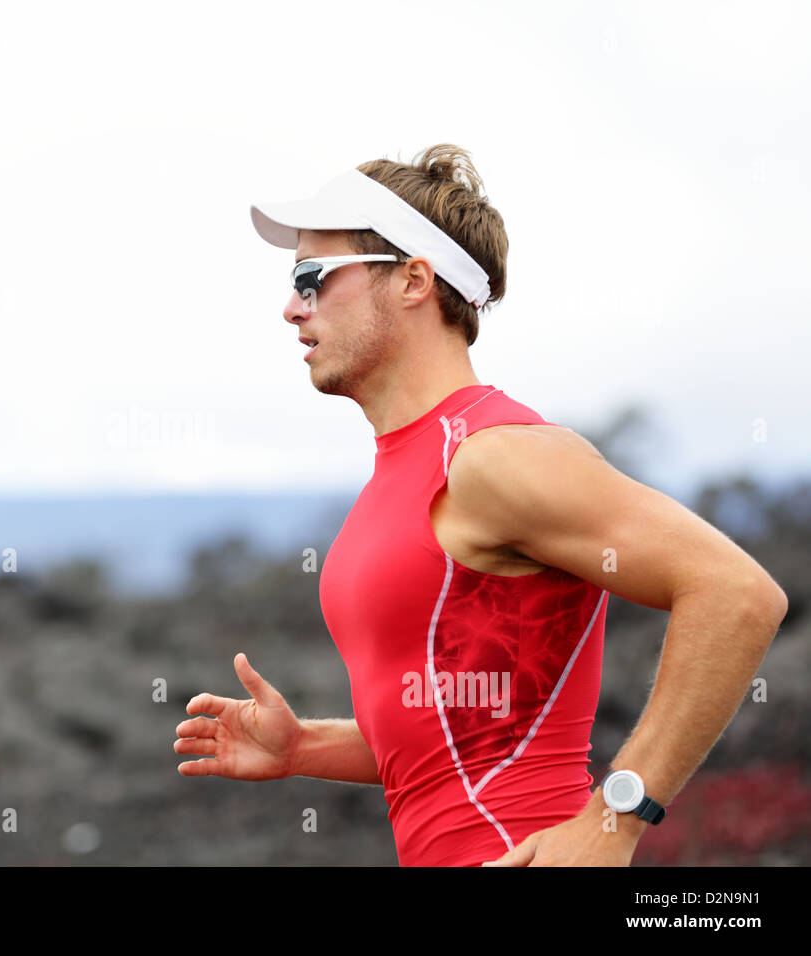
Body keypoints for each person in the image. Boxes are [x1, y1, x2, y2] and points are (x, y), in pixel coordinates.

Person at [174, 144, 788, 866]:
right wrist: (305, 745)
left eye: (313, 277)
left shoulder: (495, 455)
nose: (290, 307)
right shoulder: (402, 474)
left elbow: (737, 593)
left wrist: (615, 820)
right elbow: (463, 733)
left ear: (411, 280)